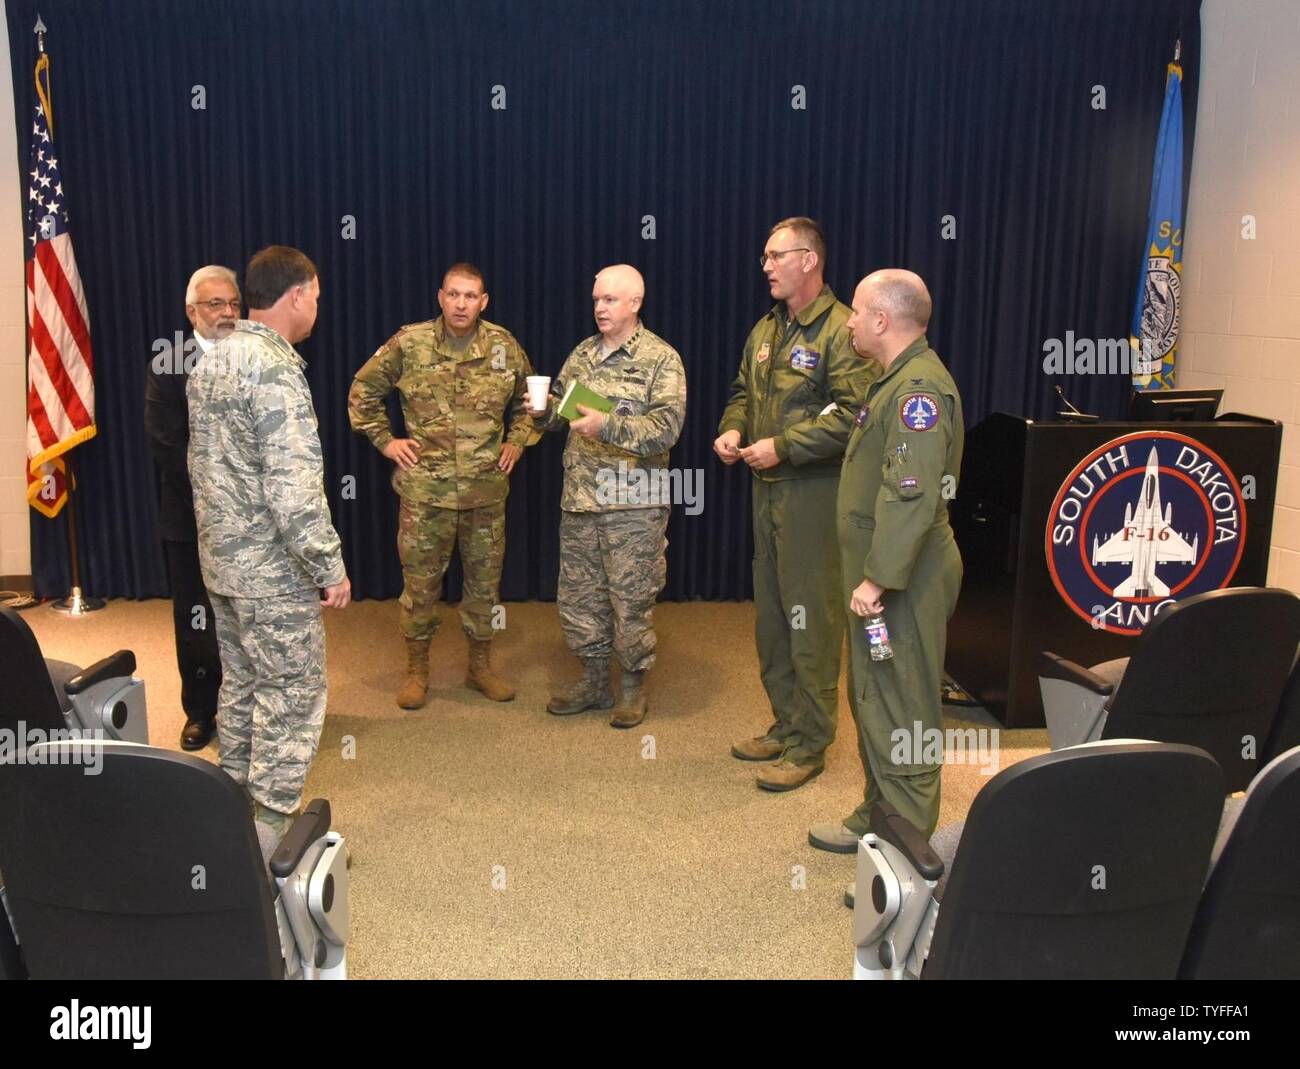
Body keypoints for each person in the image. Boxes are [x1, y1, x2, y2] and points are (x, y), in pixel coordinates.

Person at [187, 245, 350, 840]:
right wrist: (328, 566)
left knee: (243, 686)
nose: (316, 309)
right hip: (270, 573)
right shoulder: (275, 369)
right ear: (299, 294)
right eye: (316, 297)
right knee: (291, 693)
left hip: (222, 565)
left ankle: (225, 823)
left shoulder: (212, 357)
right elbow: (293, 488)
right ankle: (267, 847)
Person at [714, 217, 877, 791]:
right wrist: (733, 430)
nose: (766, 266)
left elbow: (853, 413)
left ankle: (811, 743)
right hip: (765, 494)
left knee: (812, 621)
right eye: (764, 257)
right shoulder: (766, 329)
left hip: (814, 495)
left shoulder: (841, 330)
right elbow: (741, 391)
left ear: (809, 260)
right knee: (773, 619)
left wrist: (783, 446)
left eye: (775, 256)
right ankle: (786, 722)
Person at [809, 269, 964, 852]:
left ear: (881, 320)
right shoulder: (893, 379)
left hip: (903, 577)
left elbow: (912, 492)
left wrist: (878, 578)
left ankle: (907, 849)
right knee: (873, 694)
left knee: (906, 706)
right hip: (885, 574)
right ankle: (880, 816)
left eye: (854, 311)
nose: (847, 321)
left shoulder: (918, 391)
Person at [348, 263, 535, 707]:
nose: (461, 304)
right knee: (420, 589)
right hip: (424, 495)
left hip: (484, 494)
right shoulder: (409, 343)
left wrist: (518, 441)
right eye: (454, 295)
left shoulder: (503, 346)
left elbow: (532, 401)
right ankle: (417, 671)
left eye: (471, 296)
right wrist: (385, 440)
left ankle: (479, 668)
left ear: (483, 301)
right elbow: (362, 391)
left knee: (484, 588)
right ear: (440, 297)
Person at [526, 265, 685, 728]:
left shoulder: (661, 359)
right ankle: (594, 682)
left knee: (631, 597)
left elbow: (667, 429)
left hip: (635, 500)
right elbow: (562, 410)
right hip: (581, 498)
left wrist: (606, 424)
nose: (599, 307)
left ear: (635, 303)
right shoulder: (582, 353)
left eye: (610, 300)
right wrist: (541, 413)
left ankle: (633, 687)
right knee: (580, 597)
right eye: (596, 299)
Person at [144, 265, 238, 750]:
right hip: (190, 518)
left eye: (232, 304)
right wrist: (215, 503)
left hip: (251, 524)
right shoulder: (169, 363)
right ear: (191, 312)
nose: (225, 313)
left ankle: (247, 708)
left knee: (244, 618)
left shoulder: (254, 357)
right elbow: (166, 444)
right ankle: (201, 711)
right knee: (197, 618)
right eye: (214, 304)